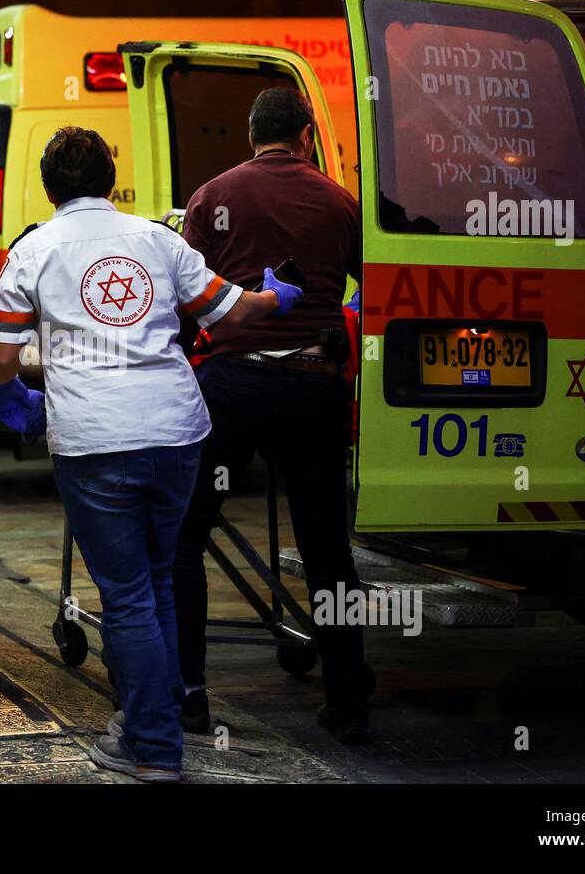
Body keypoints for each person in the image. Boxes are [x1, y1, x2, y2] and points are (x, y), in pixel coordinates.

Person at [0, 126, 300, 781]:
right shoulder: (160, 239)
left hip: (95, 438)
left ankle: (154, 748)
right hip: (177, 432)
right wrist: (277, 296)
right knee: (156, 584)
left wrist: (9, 394)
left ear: (48, 188)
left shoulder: (34, 249)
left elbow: (2, 352)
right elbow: (232, 314)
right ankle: (146, 720)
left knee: (127, 594)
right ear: (110, 178)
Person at [172, 87, 374, 744]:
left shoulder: (211, 196)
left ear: (251, 134)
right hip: (314, 385)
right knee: (325, 547)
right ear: (309, 137)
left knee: (185, 534)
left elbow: (188, 295)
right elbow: (371, 286)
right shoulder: (342, 203)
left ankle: (189, 696)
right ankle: (348, 698)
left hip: (231, 385)